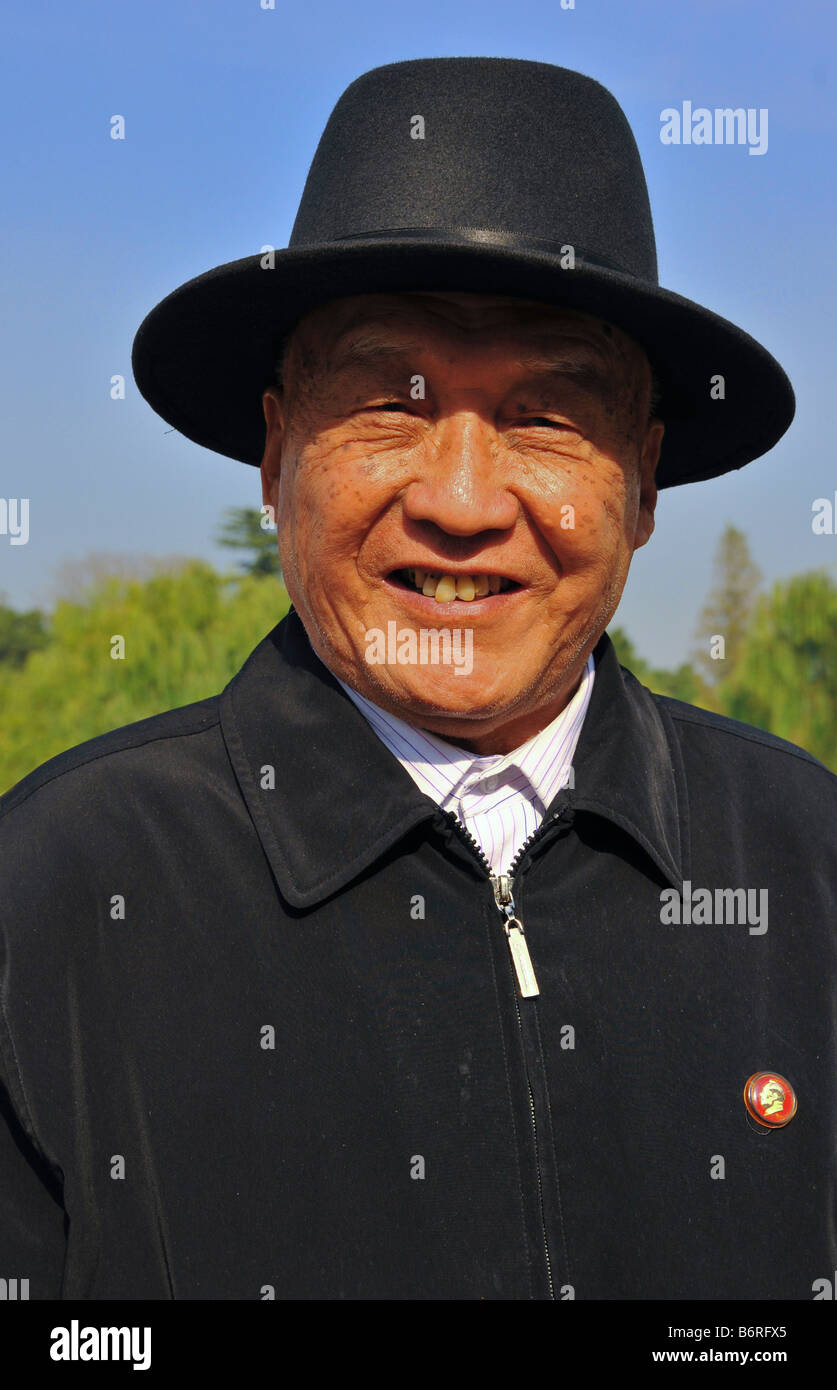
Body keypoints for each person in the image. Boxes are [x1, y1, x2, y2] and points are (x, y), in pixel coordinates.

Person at [1, 57, 834, 1301]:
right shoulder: (57, 891)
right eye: (392, 402)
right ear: (277, 454)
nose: (458, 502)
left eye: (547, 414)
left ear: (646, 482)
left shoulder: (804, 864)